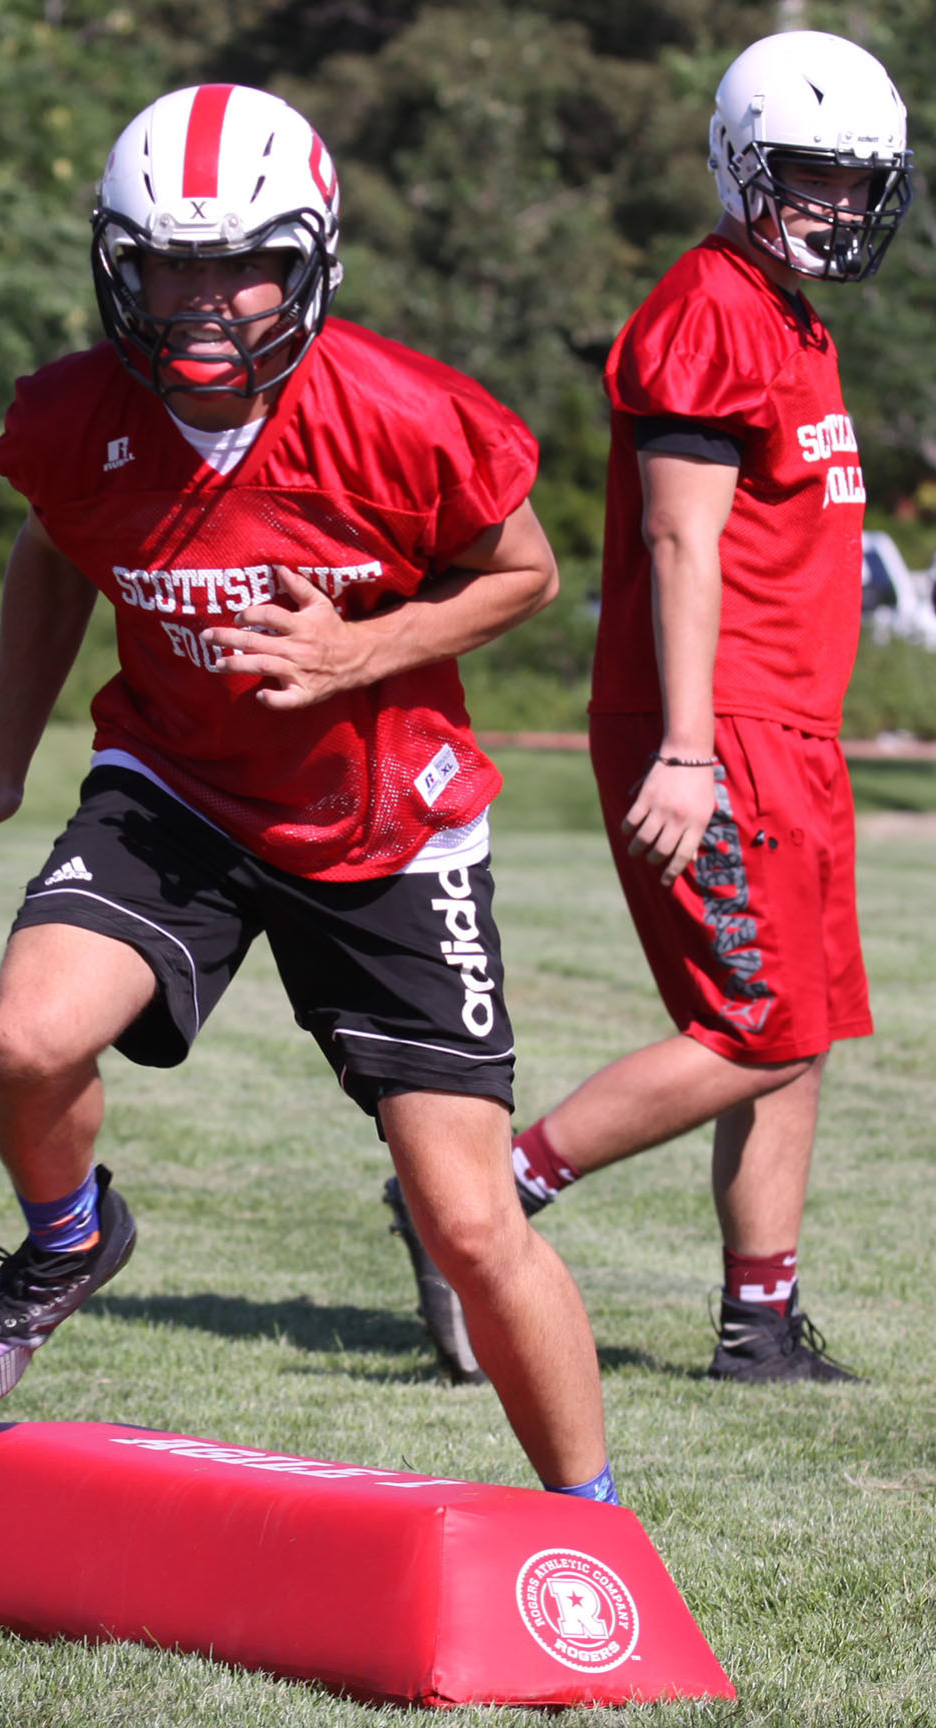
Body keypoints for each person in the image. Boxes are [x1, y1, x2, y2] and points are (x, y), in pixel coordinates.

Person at [0, 84, 618, 1502]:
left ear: (312, 261)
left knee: (469, 1223)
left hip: (386, 828)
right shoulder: (72, 413)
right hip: (175, 787)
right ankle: (65, 1242)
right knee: (26, 1039)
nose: (205, 300)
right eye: (170, 262)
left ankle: (592, 1531)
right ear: (119, 261)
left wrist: (361, 649)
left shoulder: (409, 413)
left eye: (243, 264)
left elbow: (525, 572)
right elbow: (52, 553)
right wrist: (2, 761)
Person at [387, 30, 912, 1385]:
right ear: (743, 163)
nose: (839, 209)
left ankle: (760, 1323)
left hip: (790, 726)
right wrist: (687, 751)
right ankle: (481, 1197)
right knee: (753, 1027)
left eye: (860, 185)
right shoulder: (712, 307)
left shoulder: (792, 317)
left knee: (801, 1037)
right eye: (813, 176)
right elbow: (682, 544)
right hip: (718, 728)